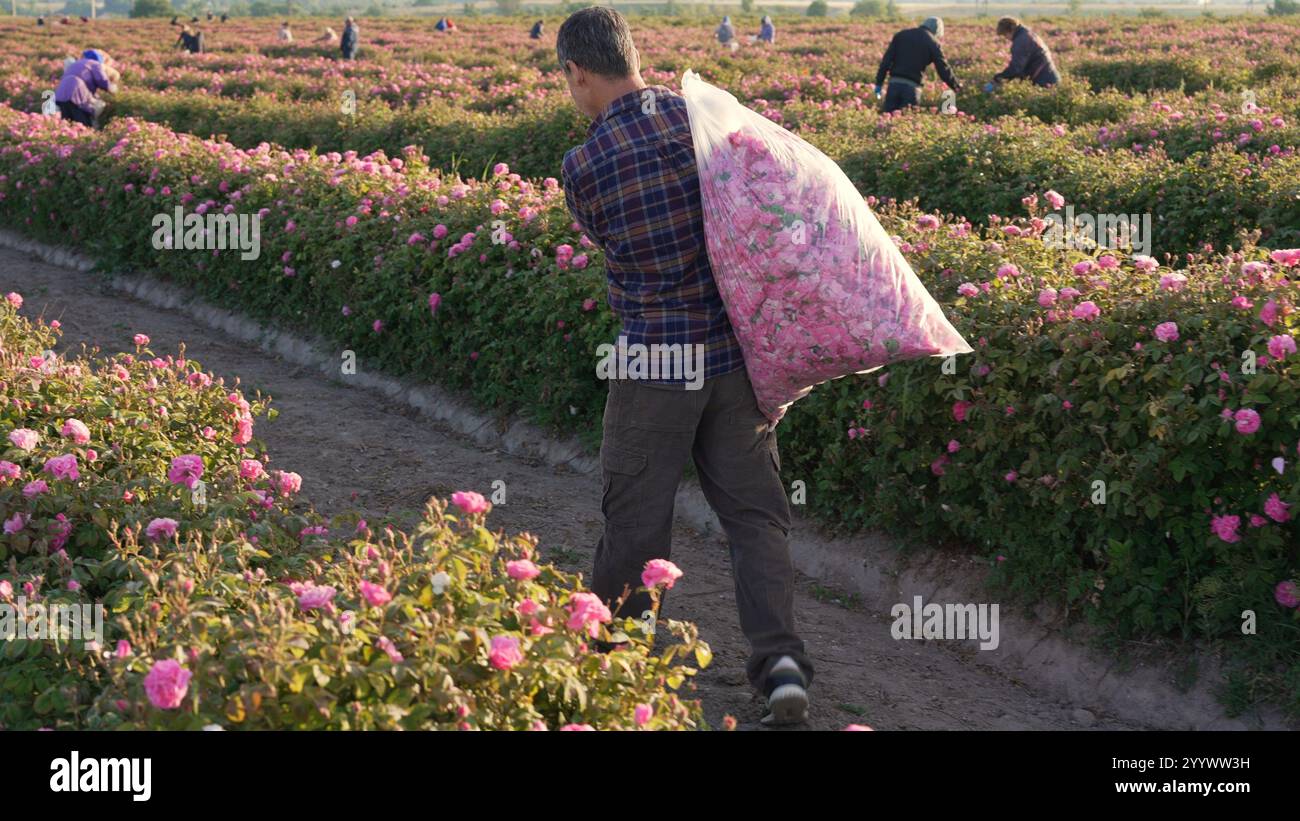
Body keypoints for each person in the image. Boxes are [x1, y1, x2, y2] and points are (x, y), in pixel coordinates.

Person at [555, 7, 814, 727]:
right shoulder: (701, 119)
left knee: (637, 517)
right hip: (734, 355)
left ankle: (620, 668)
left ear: (578, 73)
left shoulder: (584, 166)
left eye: (569, 83)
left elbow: (613, 242)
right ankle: (782, 664)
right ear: (634, 55)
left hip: (655, 358)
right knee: (756, 517)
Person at [873, 16, 960, 114]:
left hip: (894, 85)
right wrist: (956, 86)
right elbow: (943, 68)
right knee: (905, 121)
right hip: (912, 88)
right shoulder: (933, 43)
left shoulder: (901, 35)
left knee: (888, 119)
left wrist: (879, 83)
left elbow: (886, 62)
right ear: (936, 31)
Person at [54, 49, 118, 128]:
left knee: (67, 122)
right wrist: (112, 89)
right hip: (76, 92)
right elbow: (102, 80)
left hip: (61, 93)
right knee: (82, 123)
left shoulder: (76, 64)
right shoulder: (95, 64)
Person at [989, 17, 1059, 89]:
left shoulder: (1021, 41)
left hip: (1044, 80)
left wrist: (999, 77)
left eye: (1005, 34)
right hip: (1049, 75)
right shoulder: (1026, 33)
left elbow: (1016, 68)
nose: (1006, 38)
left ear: (1010, 30)